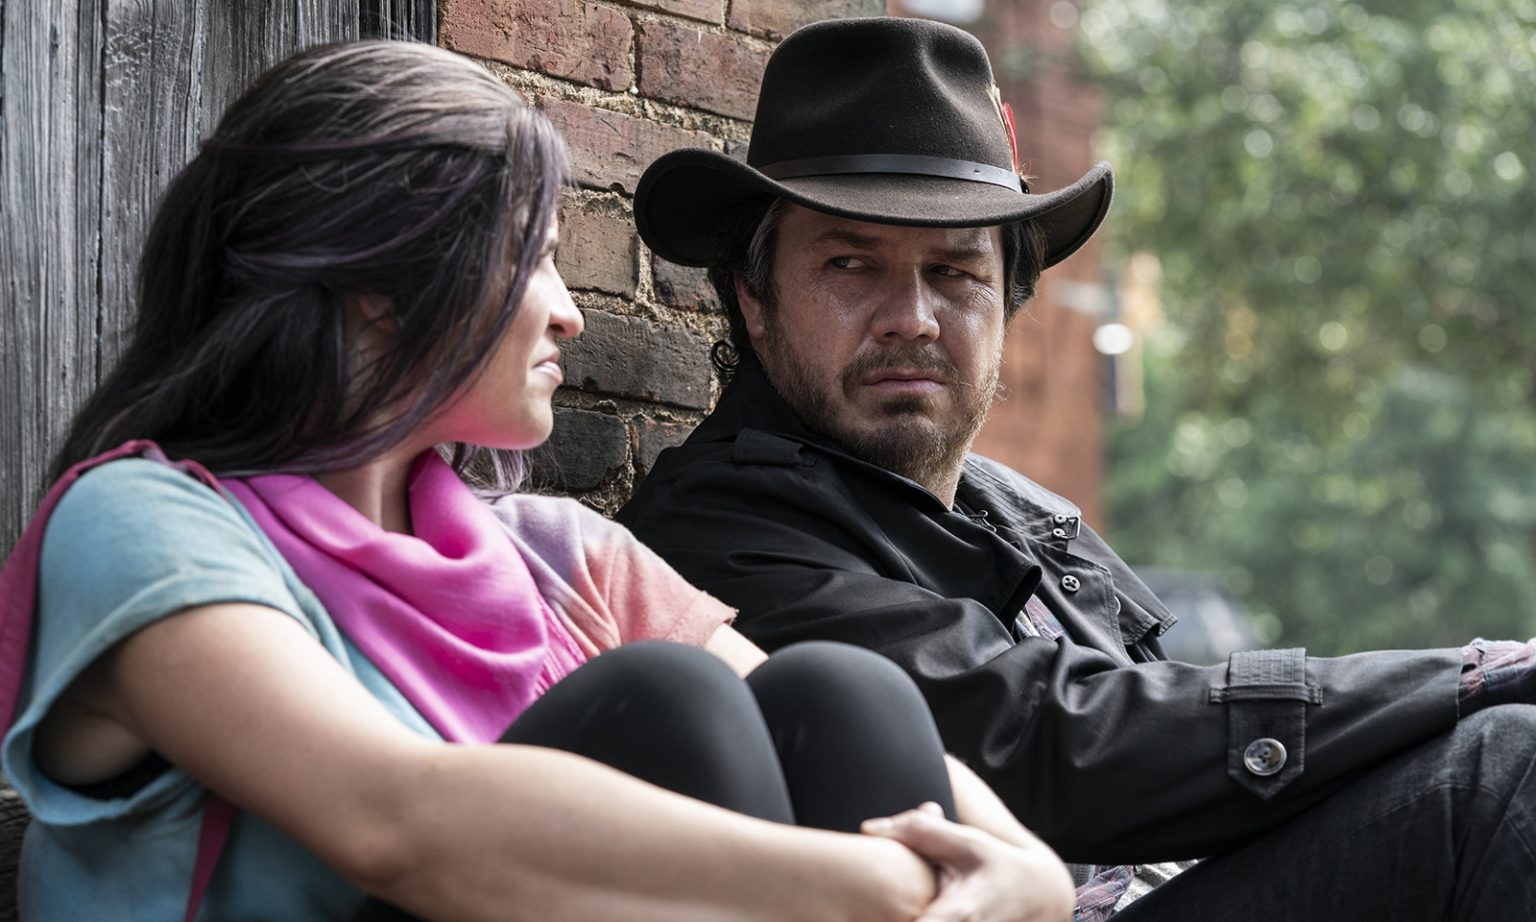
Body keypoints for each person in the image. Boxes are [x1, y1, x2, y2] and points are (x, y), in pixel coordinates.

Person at [0, 39, 1077, 922]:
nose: (568, 312)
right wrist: (884, 890)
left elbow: (870, 737)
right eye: (532, 256)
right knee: (670, 704)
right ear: (380, 279)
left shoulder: (556, 550)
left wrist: (1027, 869)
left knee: (840, 690)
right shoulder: (140, 524)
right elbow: (395, 823)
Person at [616, 16, 1536, 921]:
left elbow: (1180, 729)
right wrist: (1473, 676)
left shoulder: (1022, 512)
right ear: (756, 297)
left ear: (1008, 301)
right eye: (852, 263)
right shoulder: (715, 536)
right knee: (1503, 769)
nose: (913, 317)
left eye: (955, 272)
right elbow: (1054, 737)